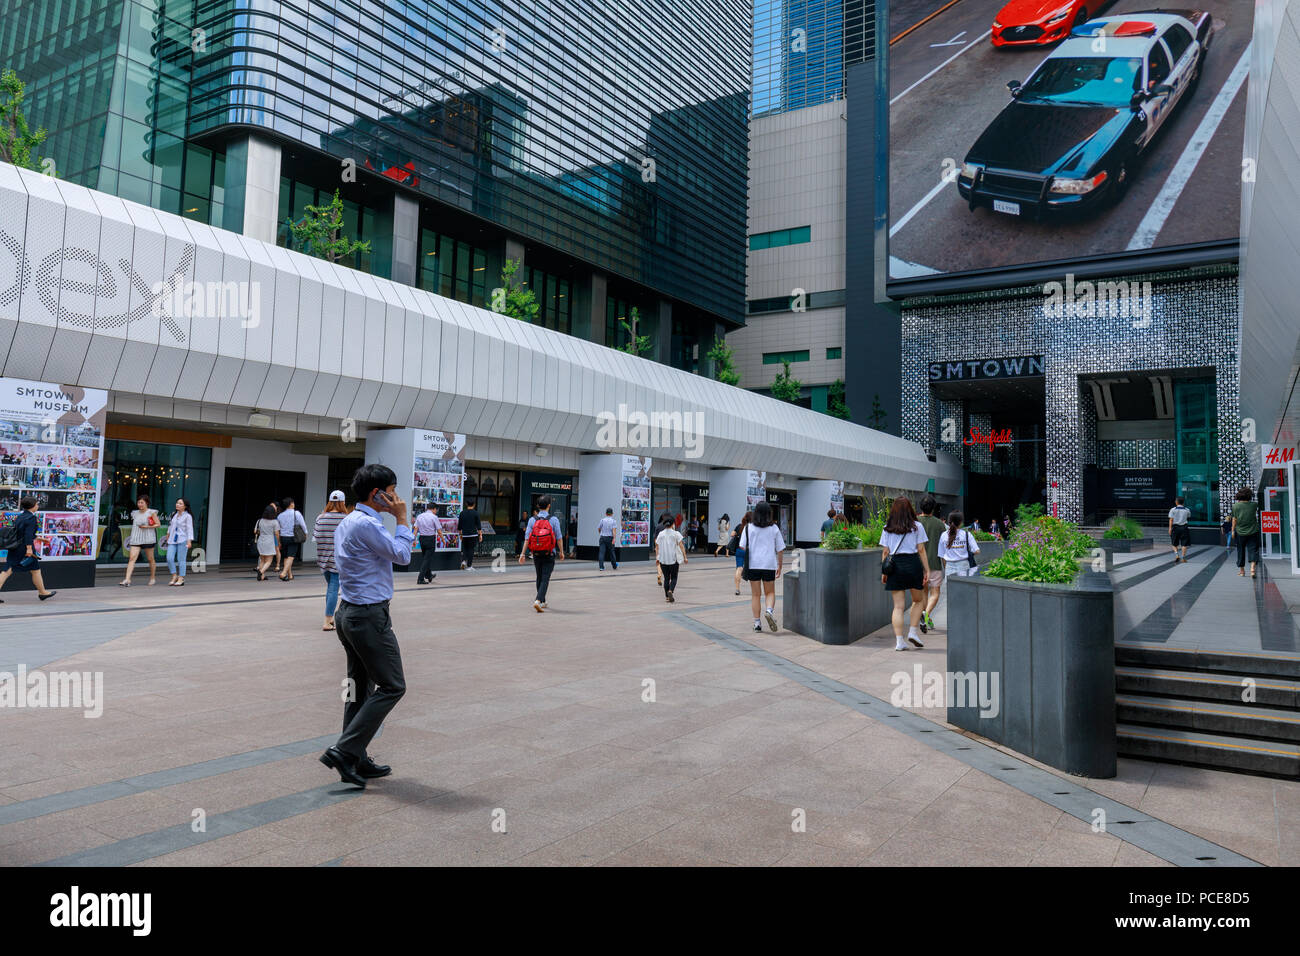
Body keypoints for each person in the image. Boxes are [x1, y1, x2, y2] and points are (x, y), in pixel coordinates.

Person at [320, 463, 412, 788]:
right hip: (369, 617)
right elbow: (402, 555)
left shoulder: (351, 521)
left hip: (350, 614)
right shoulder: (367, 525)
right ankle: (344, 751)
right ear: (377, 494)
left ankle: (355, 758)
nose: (396, 497)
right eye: (392, 491)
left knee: (359, 689)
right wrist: (402, 518)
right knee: (393, 686)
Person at [880, 496, 930, 652]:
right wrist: (926, 569)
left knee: (898, 607)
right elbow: (921, 549)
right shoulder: (917, 526)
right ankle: (913, 632)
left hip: (895, 566)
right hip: (912, 564)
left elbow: (885, 552)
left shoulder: (887, 527)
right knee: (918, 600)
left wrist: (884, 571)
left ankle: (899, 641)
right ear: (910, 509)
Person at [740, 501, 785, 632]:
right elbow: (780, 549)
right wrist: (780, 566)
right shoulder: (774, 528)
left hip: (753, 565)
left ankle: (757, 623)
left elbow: (742, 546)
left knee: (756, 595)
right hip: (769, 565)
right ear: (769, 513)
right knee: (770, 592)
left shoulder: (748, 527)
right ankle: (769, 611)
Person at [0, 496, 56, 601]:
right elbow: (28, 535)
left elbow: (22, 533)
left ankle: (42, 592)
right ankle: (42, 592)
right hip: (24, 548)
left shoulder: (20, 516)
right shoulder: (31, 518)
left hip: (16, 547)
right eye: (37, 504)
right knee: (34, 570)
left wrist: (40, 539)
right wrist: (29, 549)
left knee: (9, 569)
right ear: (32, 506)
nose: (38, 506)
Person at [519, 495, 564, 611]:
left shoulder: (532, 520)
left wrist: (522, 554)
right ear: (549, 506)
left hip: (536, 553)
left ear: (538, 506)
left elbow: (527, 539)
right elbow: (559, 538)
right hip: (549, 553)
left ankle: (543, 601)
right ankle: (538, 600)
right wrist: (562, 552)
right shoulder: (553, 520)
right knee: (545, 577)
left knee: (539, 576)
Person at [314, 491, 349, 632]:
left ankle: (330, 619)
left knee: (331, 588)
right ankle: (327, 621)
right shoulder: (346, 519)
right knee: (333, 589)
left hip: (323, 558)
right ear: (343, 502)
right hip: (338, 559)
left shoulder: (320, 517)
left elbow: (316, 537)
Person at [917, 495, 945, 634]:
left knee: (923, 592)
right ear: (933, 508)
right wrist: (945, 565)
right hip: (934, 563)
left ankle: (924, 615)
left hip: (918, 564)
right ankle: (925, 614)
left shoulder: (915, 521)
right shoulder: (940, 524)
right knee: (935, 593)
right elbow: (944, 546)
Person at [121, 496, 159, 586]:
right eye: (139, 502)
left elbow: (158, 524)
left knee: (150, 559)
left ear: (146, 503)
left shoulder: (151, 512)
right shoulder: (134, 513)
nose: (140, 504)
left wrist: (147, 527)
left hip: (148, 538)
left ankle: (153, 578)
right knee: (132, 558)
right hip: (136, 538)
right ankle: (127, 579)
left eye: (142, 502)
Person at [655, 516, 687, 602]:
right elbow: (681, 546)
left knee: (666, 578)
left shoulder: (661, 534)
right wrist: (685, 557)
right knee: (674, 578)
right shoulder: (676, 534)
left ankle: (667, 596)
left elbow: (657, 546)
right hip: (674, 560)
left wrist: (657, 557)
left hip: (663, 560)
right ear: (673, 524)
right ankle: (670, 590)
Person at [939, 510, 979, 578]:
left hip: (949, 567)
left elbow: (942, 555)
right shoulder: (967, 534)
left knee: (950, 588)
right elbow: (977, 551)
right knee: (964, 587)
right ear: (961, 522)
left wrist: (946, 568)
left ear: (949, 522)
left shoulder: (944, 535)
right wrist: (968, 554)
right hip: (964, 566)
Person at [1231, 488, 1261, 579]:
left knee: (1241, 550)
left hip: (1240, 532)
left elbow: (1234, 519)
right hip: (1253, 531)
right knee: (1253, 550)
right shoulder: (1254, 505)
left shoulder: (1235, 506)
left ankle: (1242, 571)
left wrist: (1232, 530)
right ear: (1249, 495)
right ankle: (1252, 569)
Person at [165, 497, 194, 586]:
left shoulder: (187, 516)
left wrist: (189, 541)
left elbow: (190, 529)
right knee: (169, 558)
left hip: (183, 540)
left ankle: (181, 578)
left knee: (181, 560)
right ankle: (174, 575)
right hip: (172, 539)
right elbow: (171, 525)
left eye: (180, 503)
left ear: (185, 506)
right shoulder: (174, 514)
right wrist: (168, 533)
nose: (177, 504)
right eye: (177, 503)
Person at [277, 497, 307, 581]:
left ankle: (290, 575)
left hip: (283, 537)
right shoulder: (296, 513)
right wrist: (306, 533)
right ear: (291, 504)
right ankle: (283, 573)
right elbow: (303, 524)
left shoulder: (280, 515)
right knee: (291, 556)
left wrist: (279, 540)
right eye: (293, 503)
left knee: (286, 557)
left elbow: (278, 528)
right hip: (293, 537)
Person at [414, 503, 440, 584]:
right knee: (427, 559)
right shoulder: (434, 517)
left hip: (422, 539)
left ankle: (429, 575)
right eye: (436, 510)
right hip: (430, 539)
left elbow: (415, 529)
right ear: (434, 509)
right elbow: (439, 530)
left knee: (426, 557)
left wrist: (414, 540)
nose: (436, 512)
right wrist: (442, 539)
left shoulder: (419, 516)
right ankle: (420, 579)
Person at [254, 505, 280, 581]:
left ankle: (261, 577)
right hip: (269, 541)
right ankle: (261, 572)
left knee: (262, 560)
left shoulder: (260, 520)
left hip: (261, 541)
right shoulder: (274, 522)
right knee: (269, 561)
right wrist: (278, 542)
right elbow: (277, 534)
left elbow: (256, 531)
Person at [458, 500, 482, 570]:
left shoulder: (462, 513)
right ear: (474, 505)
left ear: (466, 504)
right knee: (471, 549)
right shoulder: (476, 513)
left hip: (465, 534)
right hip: (473, 535)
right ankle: (469, 566)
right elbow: (479, 525)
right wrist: (480, 535)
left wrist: (460, 535)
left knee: (465, 548)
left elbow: (459, 526)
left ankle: (463, 561)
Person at [732, 511, 751, 595]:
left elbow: (732, 534)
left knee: (739, 568)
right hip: (748, 550)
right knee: (752, 569)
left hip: (739, 550)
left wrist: (737, 534)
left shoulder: (740, 526)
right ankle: (755, 588)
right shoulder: (752, 528)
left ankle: (737, 589)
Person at [1168, 496, 1192, 564]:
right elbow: (1188, 517)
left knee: (1174, 543)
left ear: (1176, 502)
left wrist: (1170, 528)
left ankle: (1176, 555)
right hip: (1184, 527)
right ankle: (1183, 558)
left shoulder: (1173, 509)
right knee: (1184, 543)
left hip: (1175, 528)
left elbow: (1171, 519)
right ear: (1183, 502)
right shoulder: (1187, 510)